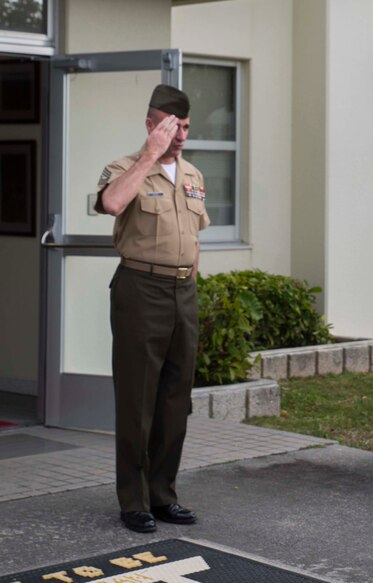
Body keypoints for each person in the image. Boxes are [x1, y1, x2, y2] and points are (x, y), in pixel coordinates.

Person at [95, 84, 209, 533]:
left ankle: (163, 496)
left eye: (185, 127)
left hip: (183, 292)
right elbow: (111, 203)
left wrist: (191, 282)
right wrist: (149, 156)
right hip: (141, 289)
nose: (179, 136)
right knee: (137, 399)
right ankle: (134, 501)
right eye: (170, 127)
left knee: (175, 399)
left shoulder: (193, 175)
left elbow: (195, 238)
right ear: (150, 125)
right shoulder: (124, 169)